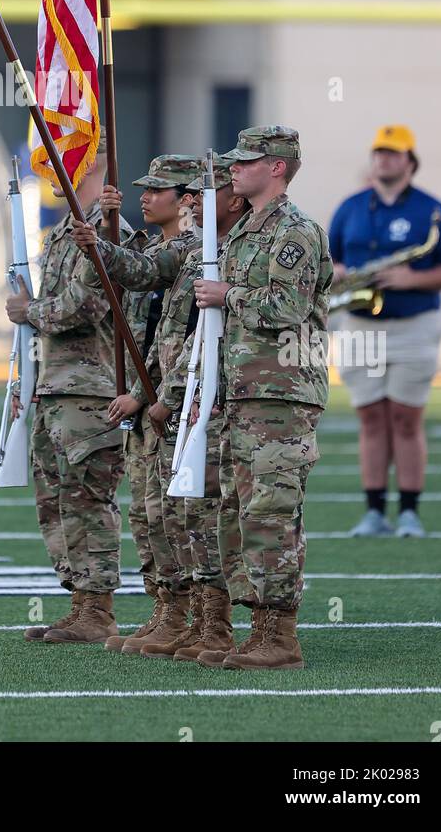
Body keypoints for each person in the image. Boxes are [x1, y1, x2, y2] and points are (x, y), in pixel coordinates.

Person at [192, 126, 331, 670]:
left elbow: (287, 309)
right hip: (244, 394)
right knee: (240, 513)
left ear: (277, 166)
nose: (234, 168)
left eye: (246, 160)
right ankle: (255, 629)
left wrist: (230, 295)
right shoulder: (244, 231)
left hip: (281, 393)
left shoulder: (294, 232)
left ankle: (279, 637)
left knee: (271, 511)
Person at [69, 155, 201, 654]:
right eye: (143, 190)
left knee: (174, 514)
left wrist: (98, 245)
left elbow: (144, 274)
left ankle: (190, 614)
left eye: (157, 190)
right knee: (148, 515)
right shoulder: (151, 242)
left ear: (187, 199)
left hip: (166, 397)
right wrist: (104, 234)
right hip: (145, 397)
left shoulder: (190, 249)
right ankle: (165, 608)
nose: (144, 197)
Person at [4, 134, 130, 645]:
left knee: (87, 498)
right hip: (53, 388)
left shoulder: (106, 234)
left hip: (91, 389)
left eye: (64, 161)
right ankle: (79, 603)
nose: (53, 171)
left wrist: (27, 311)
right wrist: (24, 379)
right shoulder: (60, 236)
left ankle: (98, 608)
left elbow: (85, 307)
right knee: (54, 502)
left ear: (89, 167)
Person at [329, 125, 441, 539]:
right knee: (370, 418)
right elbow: (329, 260)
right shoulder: (350, 207)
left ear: (410, 161)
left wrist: (412, 280)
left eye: (393, 153)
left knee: (407, 419)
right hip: (359, 323)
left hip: (414, 324)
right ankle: (374, 512)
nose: (383, 159)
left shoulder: (433, 210)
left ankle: (409, 511)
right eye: (379, 153)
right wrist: (337, 273)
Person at [141, 160, 249, 662]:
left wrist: (169, 395)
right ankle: (184, 617)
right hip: (185, 396)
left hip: (214, 399)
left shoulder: (226, 251)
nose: (196, 200)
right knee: (176, 512)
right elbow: (177, 333)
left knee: (206, 513)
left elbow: (207, 337)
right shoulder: (202, 252)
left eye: (212, 189)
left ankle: (215, 626)